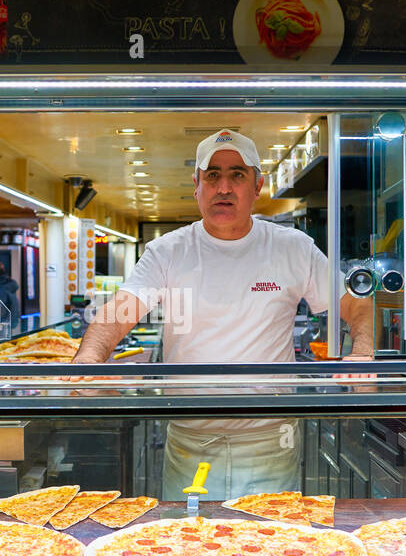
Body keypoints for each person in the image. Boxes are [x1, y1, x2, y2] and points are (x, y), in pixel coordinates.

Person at [73, 128, 374, 499]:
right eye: (212, 175)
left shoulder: (293, 248)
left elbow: (356, 303)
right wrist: (89, 357)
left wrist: (363, 352)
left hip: (269, 441)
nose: (224, 187)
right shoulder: (168, 251)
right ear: (196, 184)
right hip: (189, 439)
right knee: (180, 550)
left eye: (237, 175)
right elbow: (119, 313)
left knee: (273, 551)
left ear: (257, 185)